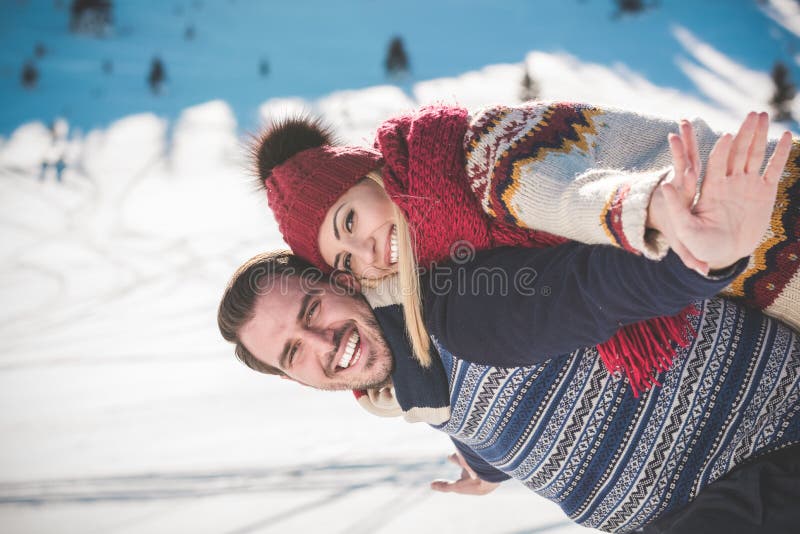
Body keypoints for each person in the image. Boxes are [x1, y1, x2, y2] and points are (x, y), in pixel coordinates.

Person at [220, 124, 798, 533]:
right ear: (290, 377)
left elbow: (586, 291)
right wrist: (487, 460)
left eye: (311, 313)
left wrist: (697, 261)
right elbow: (487, 385)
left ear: (341, 288)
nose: (323, 344)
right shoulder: (411, 380)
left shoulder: (458, 309)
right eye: (292, 352)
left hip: (763, 454)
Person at [252, 102, 799, 397]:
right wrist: (388, 393)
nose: (367, 252)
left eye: (349, 220)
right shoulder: (437, 241)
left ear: (373, 173)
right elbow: (385, 312)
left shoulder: (477, 155)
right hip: (744, 253)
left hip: (764, 212)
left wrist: (653, 210)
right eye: (345, 261)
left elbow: (566, 196)